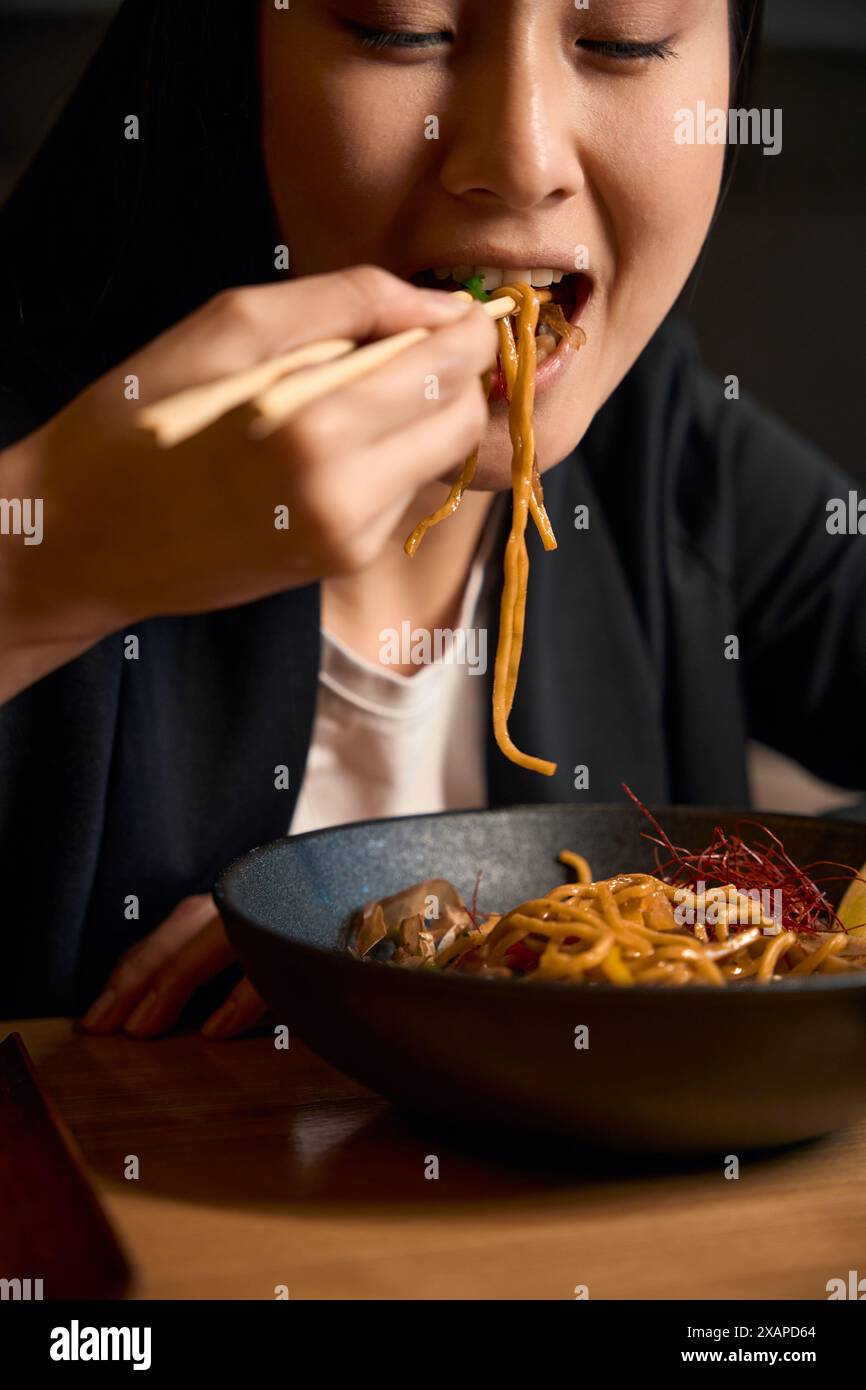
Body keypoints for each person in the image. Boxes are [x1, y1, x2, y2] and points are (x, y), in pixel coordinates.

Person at [1, 0, 863, 1031]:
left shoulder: (666, 447)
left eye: (623, 40)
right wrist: (55, 558)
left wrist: (521, 936)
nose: (520, 156)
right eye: (401, 29)